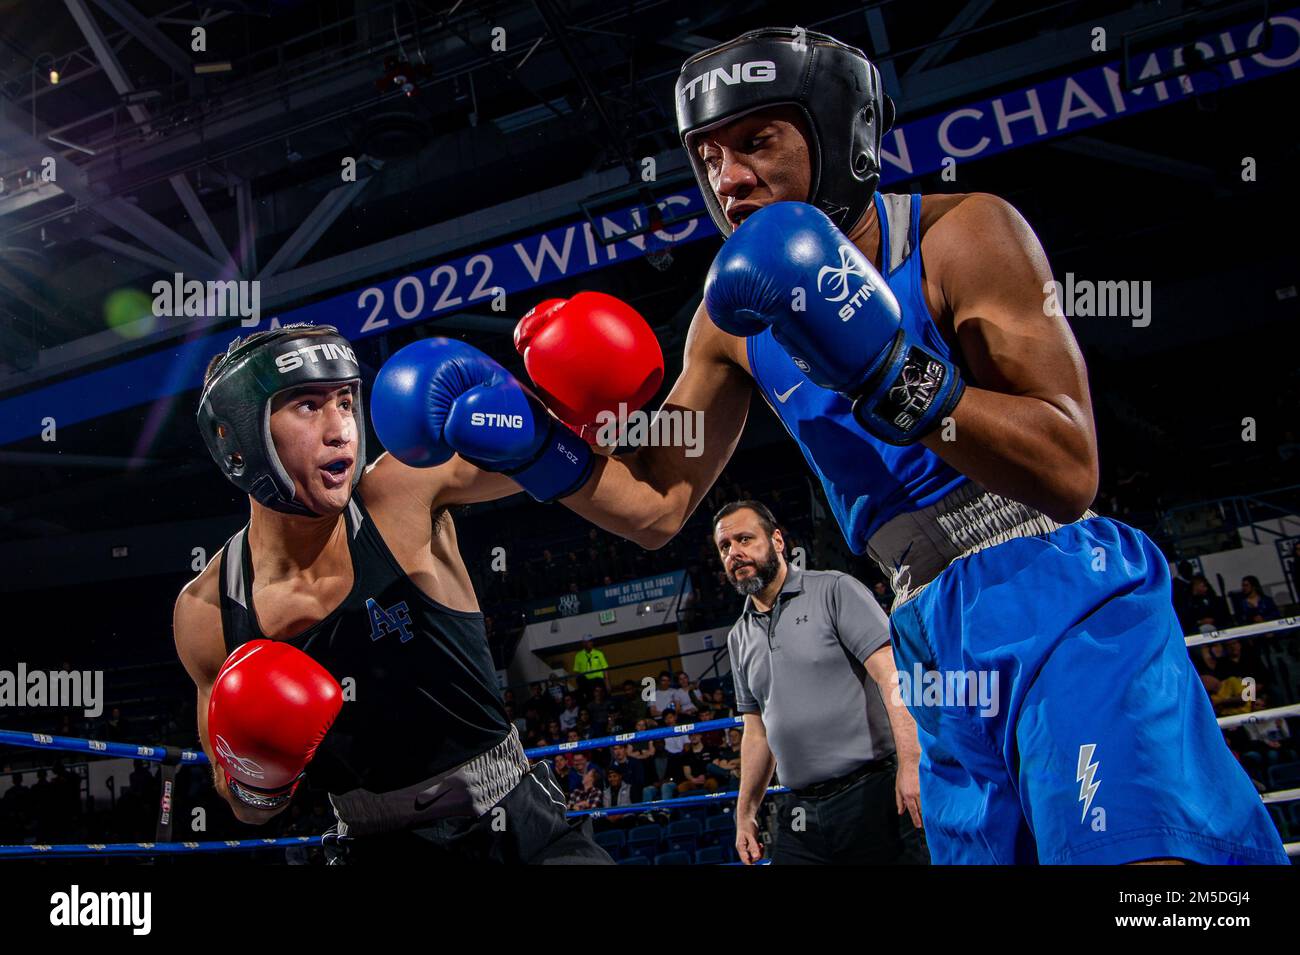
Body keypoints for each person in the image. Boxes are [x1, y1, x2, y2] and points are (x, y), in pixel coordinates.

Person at [398, 27, 1285, 863]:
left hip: (1056, 585)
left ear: (836, 135)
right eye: (708, 158)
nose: (729, 177)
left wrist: (884, 369)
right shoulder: (729, 320)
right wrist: (536, 446)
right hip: (928, 628)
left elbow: (1069, 467)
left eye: (756, 142)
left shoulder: (962, 230)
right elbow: (656, 503)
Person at [175, 324, 611, 864]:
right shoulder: (208, 610)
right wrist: (260, 773)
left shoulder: (401, 490)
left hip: (514, 821)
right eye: (308, 406)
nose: (342, 430)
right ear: (234, 436)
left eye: (345, 400)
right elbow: (246, 808)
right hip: (373, 847)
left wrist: (594, 386)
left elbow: (565, 447)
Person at [717, 501, 927, 865]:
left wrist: (912, 761)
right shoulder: (739, 637)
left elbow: (892, 675)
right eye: (725, 546)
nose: (735, 553)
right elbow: (756, 731)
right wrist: (745, 813)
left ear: (777, 541)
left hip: (871, 790)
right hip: (800, 809)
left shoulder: (834, 590)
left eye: (745, 539)